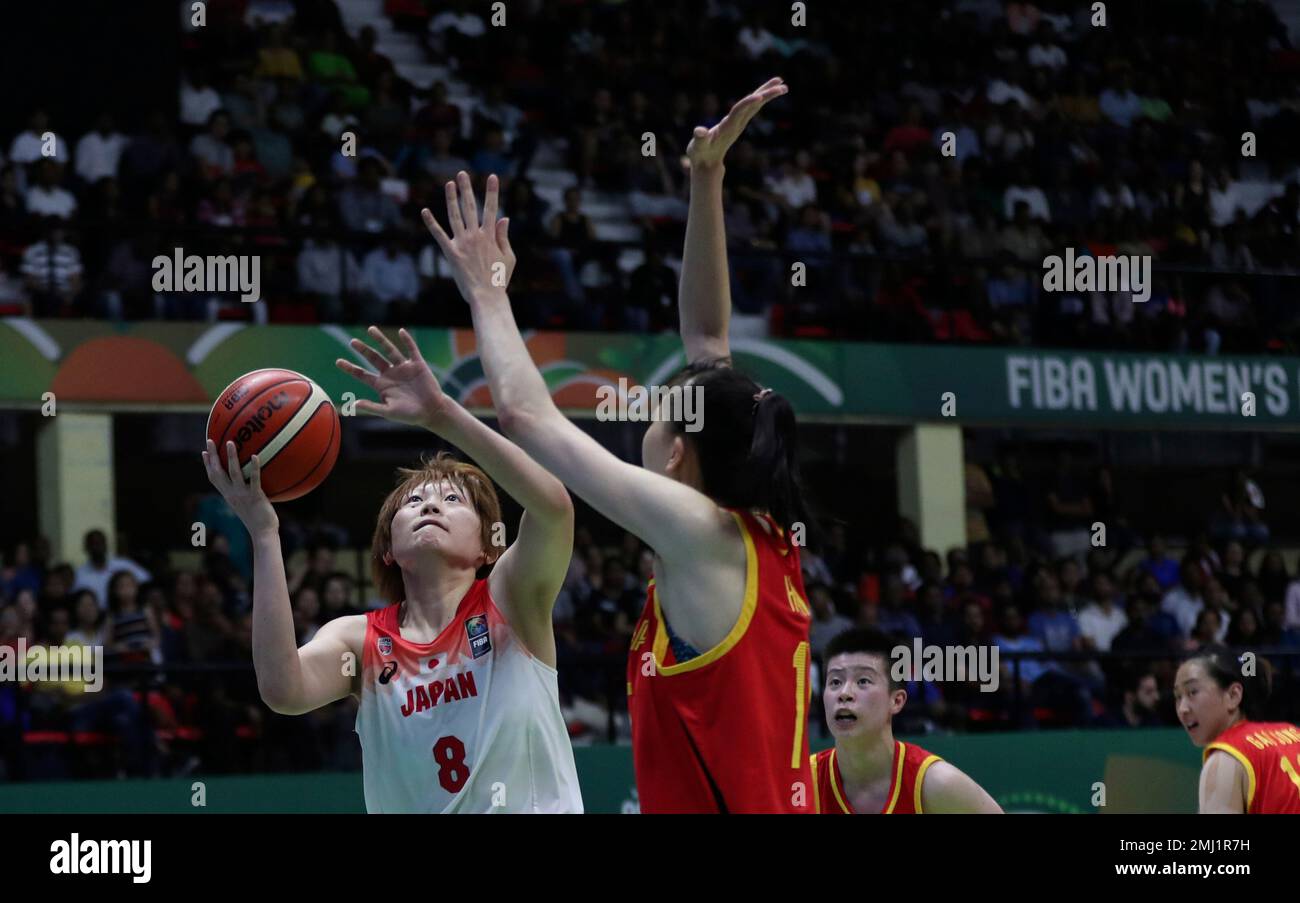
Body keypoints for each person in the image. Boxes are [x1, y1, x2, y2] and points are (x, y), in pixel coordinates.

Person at [421, 79, 815, 813]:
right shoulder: (746, 529)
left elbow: (528, 417)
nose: (648, 419)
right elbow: (707, 338)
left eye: (659, 412)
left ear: (677, 454)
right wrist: (706, 176)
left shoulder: (702, 535)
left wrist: (488, 294)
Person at [202, 325, 582, 813]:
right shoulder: (359, 641)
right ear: (388, 549)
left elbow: (553, 510)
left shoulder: (511, 601)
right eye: (415, 501)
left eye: (452, 499)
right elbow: (283, 690)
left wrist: (442, 415)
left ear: (490, 547)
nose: (431, 504)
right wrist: (264, 533)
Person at [811, 628, 1002, 814]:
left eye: (863, 681)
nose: (844, 693)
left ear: (896, 701)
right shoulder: (801, 783)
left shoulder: (936, 784)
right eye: (835, 682)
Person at [1174, 647, 1300, 813]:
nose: (1182, 709)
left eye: (1192, 692)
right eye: (1177, 697)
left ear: (1233, 695)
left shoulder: (1226, 759)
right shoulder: (1293, 732)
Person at [72, 529, 151, 610]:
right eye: (93, 544)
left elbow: (147, 581)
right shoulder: (79, 575)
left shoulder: (124, 565)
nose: (97, 547)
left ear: (106, 544)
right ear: (86, 547)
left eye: (100, 543)